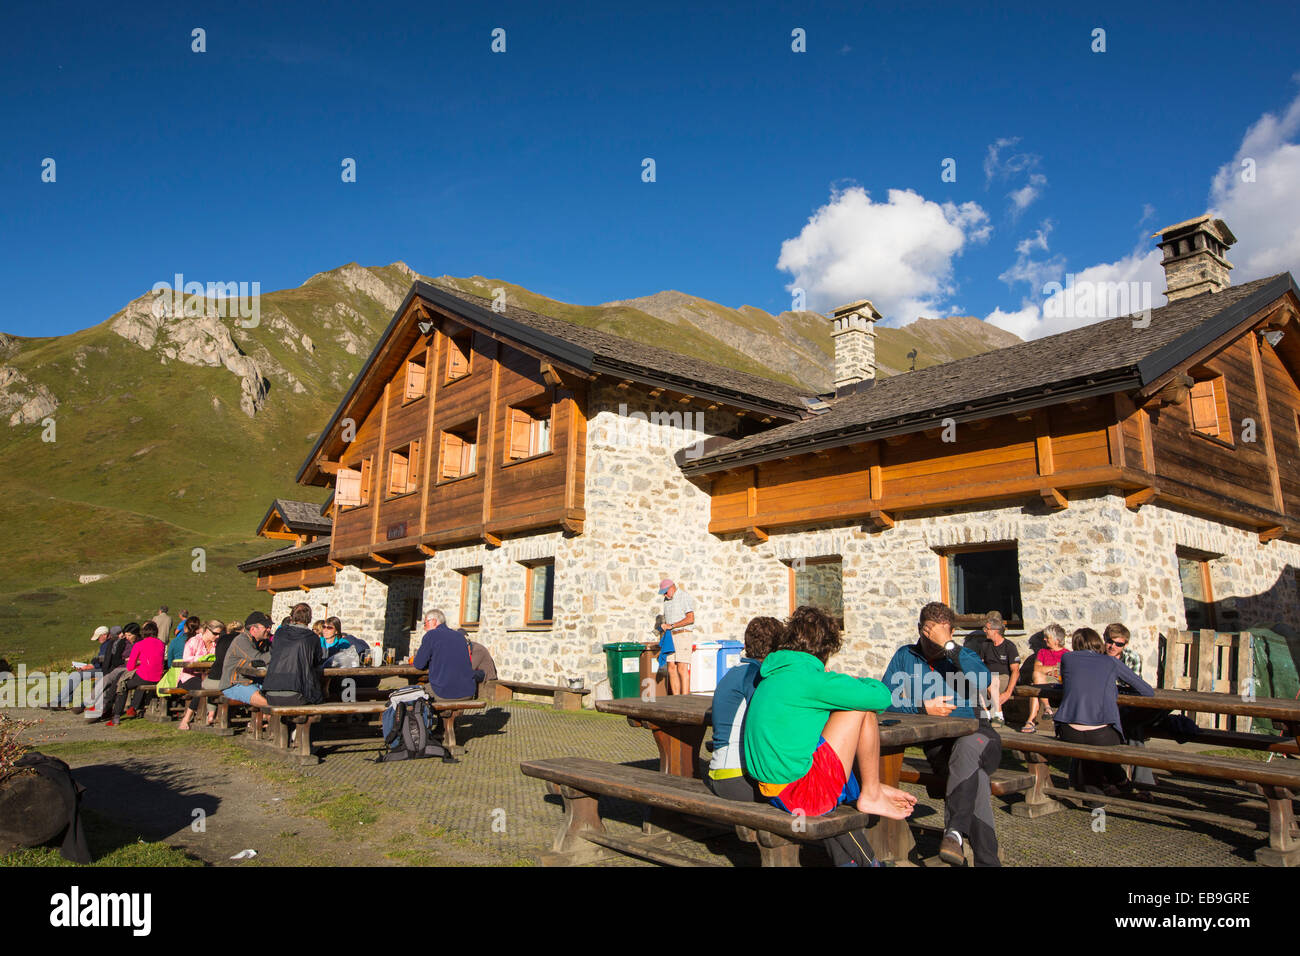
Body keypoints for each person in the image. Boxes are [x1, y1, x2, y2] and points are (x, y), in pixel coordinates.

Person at [744, 606, 916, 840]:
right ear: (826, 650)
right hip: (803, 797)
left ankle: (871, 787)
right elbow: (882, 697)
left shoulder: (773, 674)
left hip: (771, 788)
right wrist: (856, 681)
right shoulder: (813, 679)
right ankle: (871, 792)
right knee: (859, 709)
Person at [882, 601, 1003, 867]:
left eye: (944, 634)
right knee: (977, 780)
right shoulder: (905, 655)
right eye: (931, 633)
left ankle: (954, 833)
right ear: (921, 630)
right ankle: (978, 854)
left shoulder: (962, 654)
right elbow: (882, 698)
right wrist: (920, 707)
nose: (936, 641)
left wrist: (949, 646)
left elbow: (984, 681)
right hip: (939, 748)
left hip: (981, 736)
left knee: (968, 747)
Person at [1054, 627, 1155, 797]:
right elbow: (1147, 691)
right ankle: (1121, 782)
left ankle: (1097, 797)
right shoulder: (1110, 662)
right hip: (1101, 733)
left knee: (1087, 749)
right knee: (1098, 742)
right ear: (1099, 642)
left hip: (1067, 730)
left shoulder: (1067, 658)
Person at [706, 616, 782, 802]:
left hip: (720, 772)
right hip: (737, 777)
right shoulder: (758, 677)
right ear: (777, 648)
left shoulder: (735, 671)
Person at [262, 603, 325, 706]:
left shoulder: (279, 633)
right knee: (319, 703)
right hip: (297, 693)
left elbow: (272, 653)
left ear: (292, 617)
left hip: (270, 691)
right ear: (309, 619)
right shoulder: (312, 637)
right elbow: (317, 661)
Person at [106, 622, 166, 726]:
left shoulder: (139, 644)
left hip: (144, 676)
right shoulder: (161, 644)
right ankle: (133, 707)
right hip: (157, 677)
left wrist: (138, 663)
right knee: (131, 682)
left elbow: (129, 667)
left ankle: (116, 715)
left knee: (122, 684)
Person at [412, 610, 476, 702]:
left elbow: (418, 664)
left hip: (444, 692)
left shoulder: (431, 635)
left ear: (433, 621)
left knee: (412, 694)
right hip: (467, 692)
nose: (424, 628)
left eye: (425, 624)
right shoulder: (460, 636)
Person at [1022, 623, 1068, 733]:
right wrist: (1055, 668)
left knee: (1035, 684)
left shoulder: (1067, 654)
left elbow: (1064, 672)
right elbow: (1037, 669)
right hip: (1043, 681)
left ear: (1057, 640)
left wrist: (1047, 669)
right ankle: (1047, 708)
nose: (1044, 639)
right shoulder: (1042, 652)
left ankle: (1032, 720)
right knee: (1036, 677)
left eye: (1047, 637)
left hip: (1058, 683)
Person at [221, 611, 272, 710]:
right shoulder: (241, 640)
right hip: (235, 684)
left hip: (255, 681)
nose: (269, 629)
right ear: (253, 629)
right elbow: (259, 659)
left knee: (278, 697)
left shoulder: (262, 642)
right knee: (269, 703)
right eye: (266, 626)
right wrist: (279, 651)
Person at [177, 620, 222, 730]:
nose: (217, 636)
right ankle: (186, 719)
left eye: (219, 634)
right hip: (189, 676)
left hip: (207, 676)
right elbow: (186, 659)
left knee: (217, 686)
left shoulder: (215, 645)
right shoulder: (194, 641)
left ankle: (212, 716)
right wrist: (201, 659)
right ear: (207, 630)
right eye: (215, 633)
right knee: (202, 688)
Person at [977, 611, 1020, 725]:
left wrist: (1008, 692)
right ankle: (986, 715)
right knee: (977, 682)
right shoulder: (985, 645)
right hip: (988, 677)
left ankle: (998, 715)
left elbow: (1015, 671)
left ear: (995, 631)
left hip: (1003, 677)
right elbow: (980, 664)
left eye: (987, 628)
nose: (984, 631)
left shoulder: (1009, 646)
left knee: (991, 681)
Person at [54, 626, 112, 709]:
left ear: (105, 635)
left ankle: (60, 701)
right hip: (101, 668)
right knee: (75, 675)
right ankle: (62, 701)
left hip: (103, 670)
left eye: (98, 638)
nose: (97, 640)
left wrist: (89, 666)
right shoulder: (106, 644)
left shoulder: (108, 644)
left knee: (75, 675)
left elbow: (104, 660)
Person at [657, 578, 695, 695]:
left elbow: (690, 618)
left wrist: (672, 625)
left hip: (683, 635)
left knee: (681, 668)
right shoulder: (666, 600)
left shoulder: (684, 596)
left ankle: (685, 700)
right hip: (670, 637)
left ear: (672, 588)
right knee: (671, 668)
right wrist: (664, 627)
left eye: (665, 591)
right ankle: (676, 699)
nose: (664, 594)